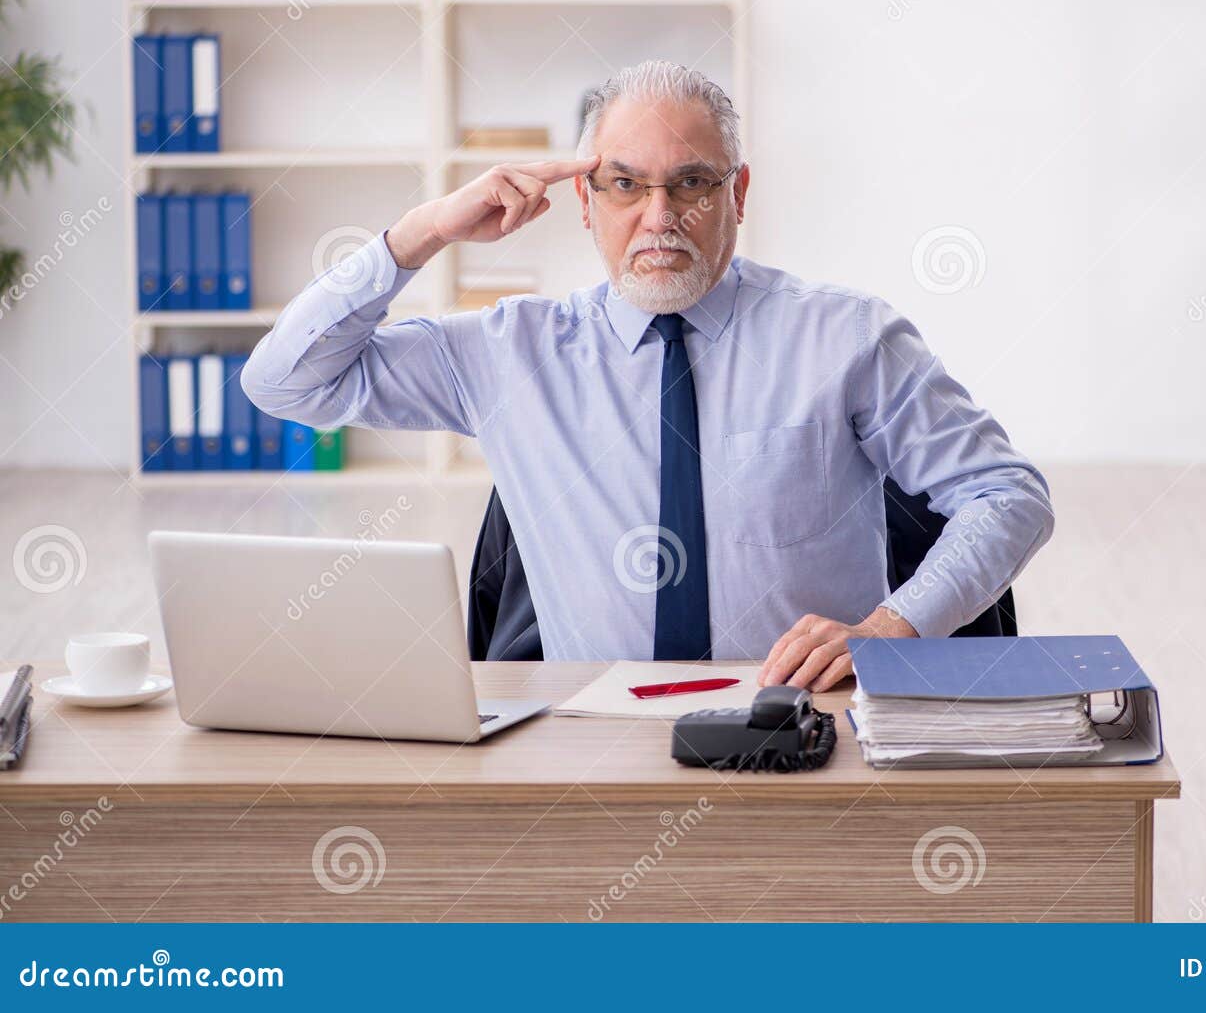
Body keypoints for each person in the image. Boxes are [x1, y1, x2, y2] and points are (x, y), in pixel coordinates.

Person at [242, 60, 1053, 691]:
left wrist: (890, 629)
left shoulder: (846, 337)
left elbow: (1008, 494)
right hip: (592, 741)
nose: (659, 216)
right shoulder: (508, 352)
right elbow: (286, 384)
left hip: (800, 725)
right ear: (585, 202)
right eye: (625, 184)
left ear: (737, 193)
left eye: (692, 183)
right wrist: (421, 233)